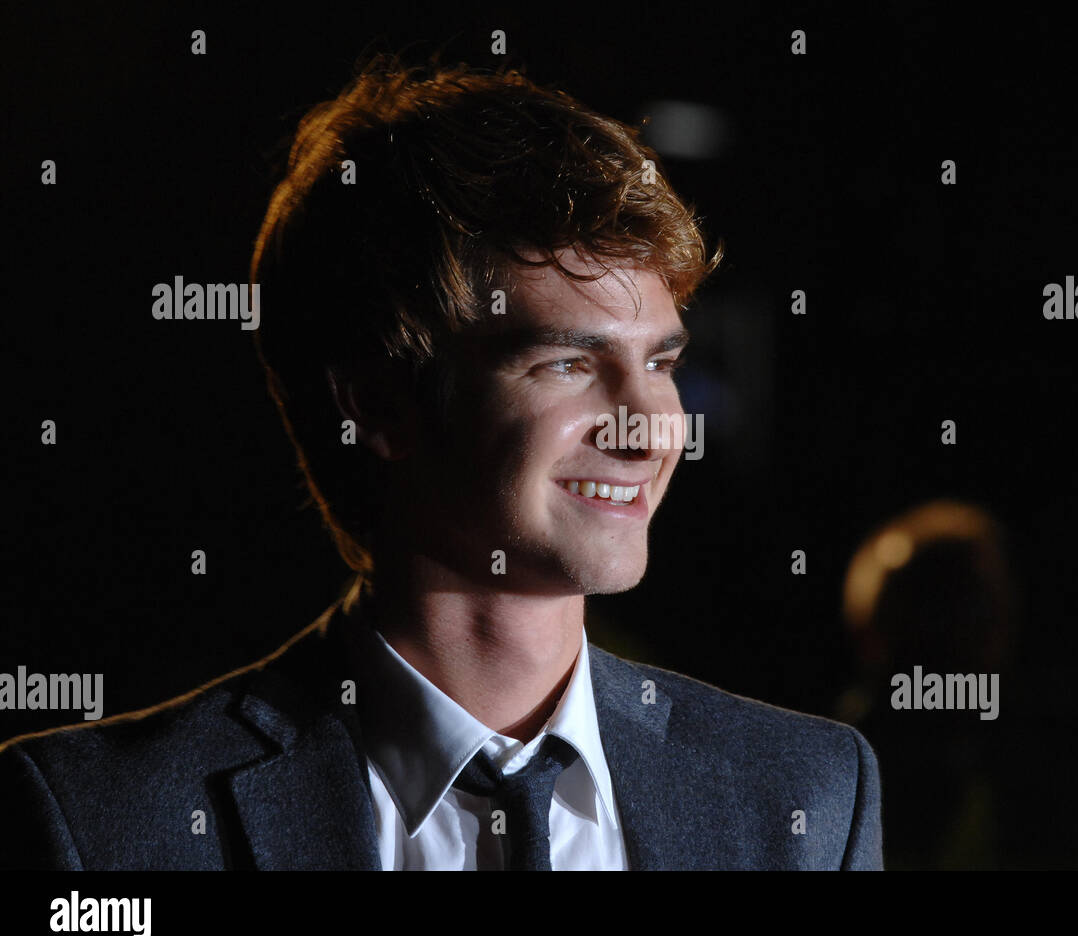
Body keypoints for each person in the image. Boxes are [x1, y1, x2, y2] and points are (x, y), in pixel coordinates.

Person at [0, 55, 882, 870]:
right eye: (568, 363)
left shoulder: (805, 796)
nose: (650, 426)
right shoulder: (101, 824)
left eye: (659, 361)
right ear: (380, 406)